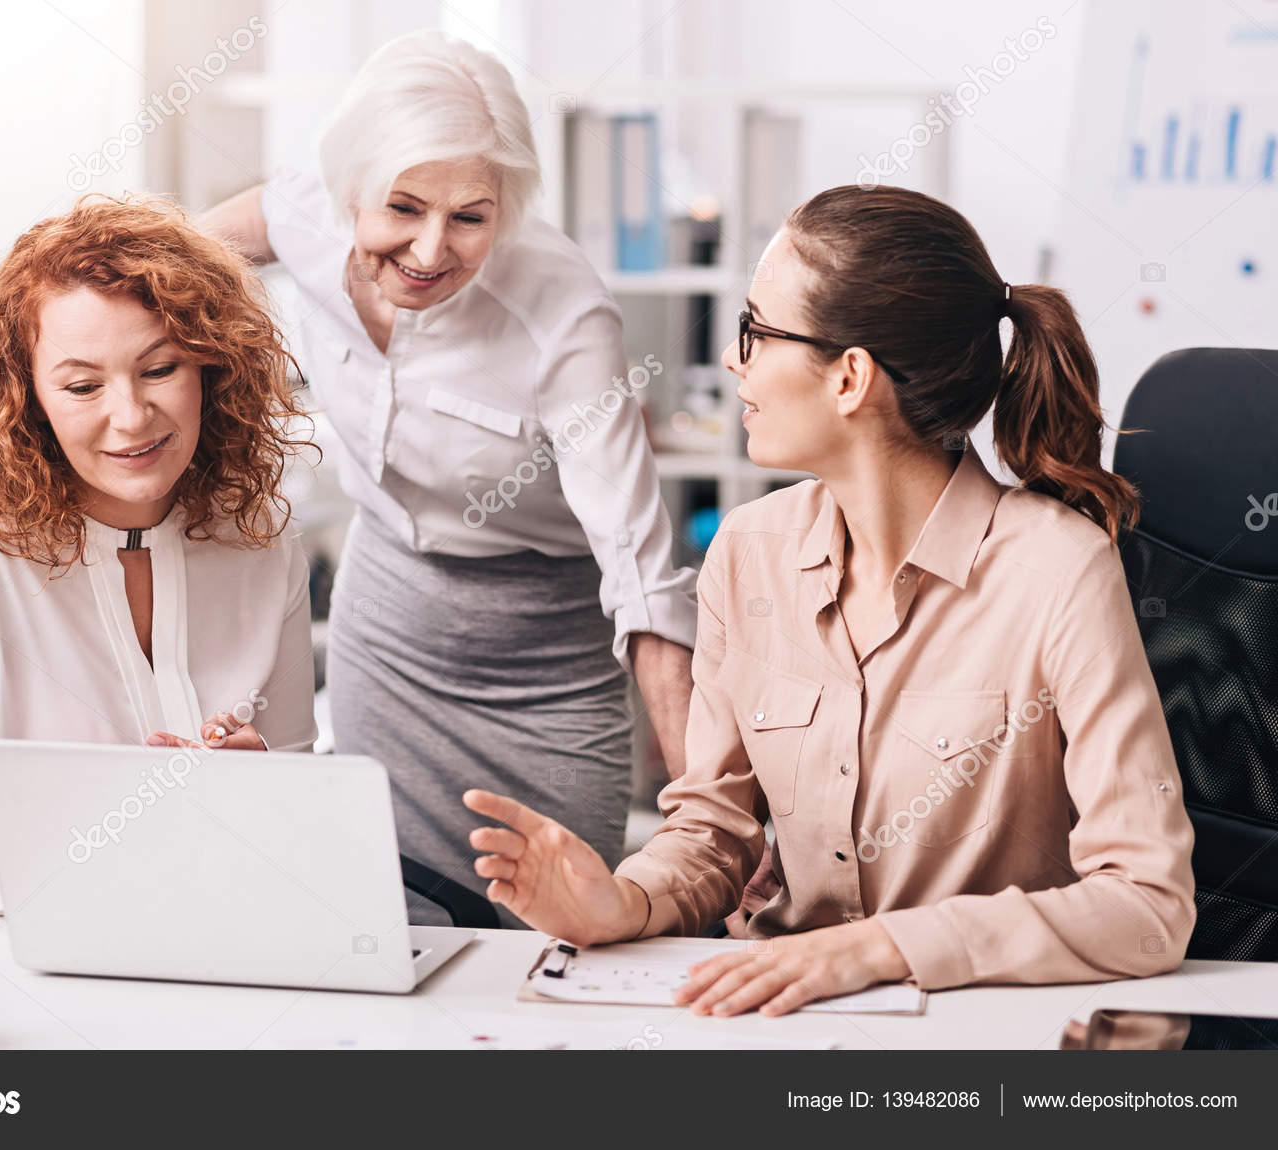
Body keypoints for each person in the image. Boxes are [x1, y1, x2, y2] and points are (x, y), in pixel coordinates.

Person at [463, 183, 1196, 1011]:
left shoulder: (1057, 572)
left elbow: (1148, 904)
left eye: (755, 332)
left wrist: (879, 949)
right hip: (769, 1023)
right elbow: (711, 831)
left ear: (849, 378)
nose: (734, 362)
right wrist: (623, 903)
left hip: (968, 1040)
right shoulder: (746, 553)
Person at [197, 30, 697, 923]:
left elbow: (645, 575)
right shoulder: (305, 212)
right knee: (376, 920)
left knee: (550, 941)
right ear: (351, 187)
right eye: (403, 208)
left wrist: (708, 819)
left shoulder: (562, 312)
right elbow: (159, 264)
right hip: (386, 633)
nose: (431, 250)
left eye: (471, 215)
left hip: (544, 670)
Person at [0, 196, 318, 913]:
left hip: (220, 936)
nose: (129, 417)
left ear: (211, 370)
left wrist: (261, 798)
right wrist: (102, 870)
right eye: (82, 386)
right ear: (28, 399)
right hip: (35, 957)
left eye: (159, 369)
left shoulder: (260, 539)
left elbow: (300, 814)